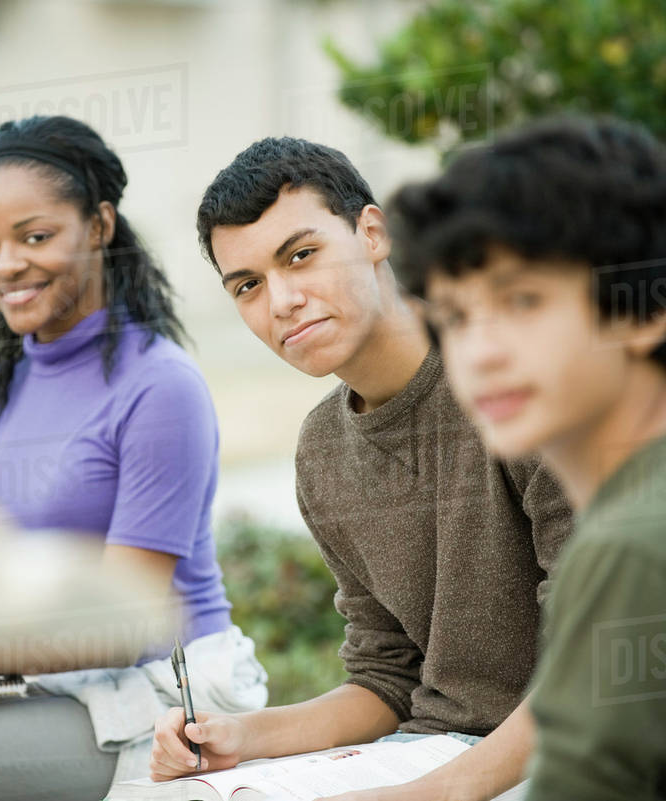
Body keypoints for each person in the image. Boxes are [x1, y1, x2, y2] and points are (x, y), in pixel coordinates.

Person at [0, 115, 267, 800]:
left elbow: (125, 621)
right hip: (42, 685)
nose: (4, 264)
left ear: (99, 226)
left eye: (35, 236)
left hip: (157, 700)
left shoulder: (160, 386)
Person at [148, 136, 573, 801]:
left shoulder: (514, 377)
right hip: (433, 749)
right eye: (249, 284)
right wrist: (241, 735)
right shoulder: (322, 446)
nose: (282, 300)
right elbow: (386, 673)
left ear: (371, 232)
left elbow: (598, 661)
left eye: (301, 255)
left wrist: (423, 794)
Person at [387, 115, 666, 801]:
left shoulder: (633, 543)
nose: (480, 353)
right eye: (453, 317)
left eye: (522, 299)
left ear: (640, 308)